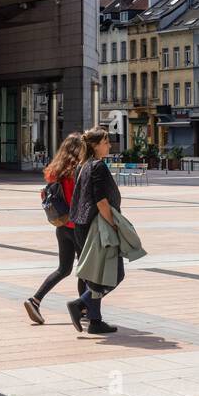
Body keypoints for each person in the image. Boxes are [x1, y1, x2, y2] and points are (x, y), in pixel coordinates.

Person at [24, 133, 88, 325]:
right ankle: (83, 309)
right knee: (84, 269)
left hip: (61, 225)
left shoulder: (54, 170)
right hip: (76, 226)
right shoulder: (76, 170)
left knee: (63, 268)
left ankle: (35, 300)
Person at [65, 127, 123, 335]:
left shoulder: (83, 165)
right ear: (95, 145)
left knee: (95, 276)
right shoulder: (98, 166)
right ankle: (80, 304)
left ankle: (95, 321)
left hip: (80, 226)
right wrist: (114, 225)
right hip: (96, 227)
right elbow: (101, 201)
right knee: (115, 274)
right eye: (106, 141)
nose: (109, 145)